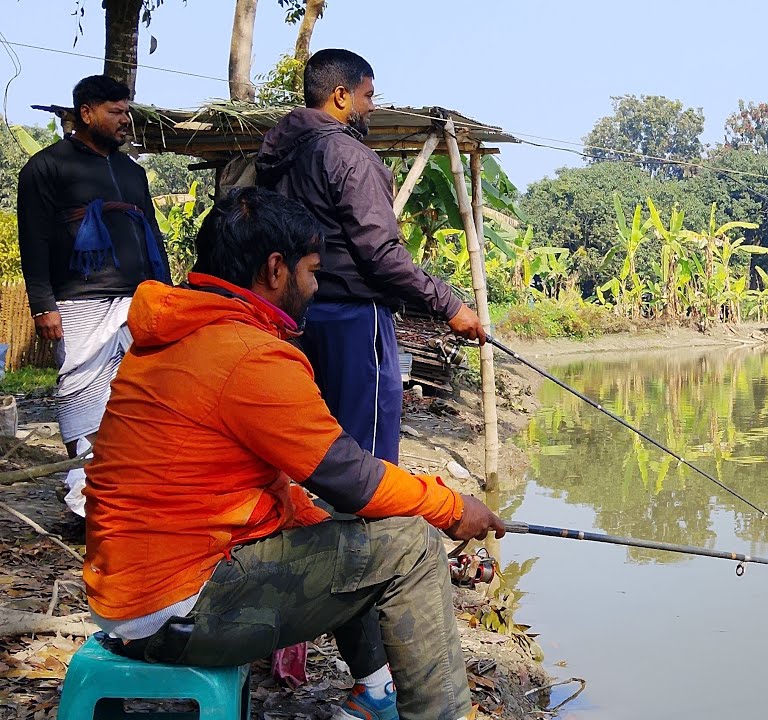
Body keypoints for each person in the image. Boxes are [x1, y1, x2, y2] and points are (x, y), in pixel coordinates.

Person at [83, 187, 505, 720]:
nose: (315, 285)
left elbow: (331, 491)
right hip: (176, 607)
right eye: (312, 271)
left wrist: (346, 515)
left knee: (350, 519)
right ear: (275, 269)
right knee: (413, 545)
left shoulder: (183, 331)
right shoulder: (247, 355)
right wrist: (451, 507)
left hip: (127, 593)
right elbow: (349, 476)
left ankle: (375, 692)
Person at [256, 48, 484, 465]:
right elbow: (380, 254)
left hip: (293, 318)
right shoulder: (349, 157)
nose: (372, 108)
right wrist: (450, 306)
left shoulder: (274, 158)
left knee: (314, 446)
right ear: (341, 96)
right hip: (353, 320)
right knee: (368, 452)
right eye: (368, 96)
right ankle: (368, 527)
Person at [16, 74, 170, 517]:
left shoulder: (132, 171)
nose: (125, 120)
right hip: (77, 300)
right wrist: (43, 304)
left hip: (137, 299)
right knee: (81, 393)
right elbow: (34, 241)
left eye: (127, 111)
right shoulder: (46, 167)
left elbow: (152, 237)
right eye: (116, 112)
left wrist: (164, 296)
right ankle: (86, 502)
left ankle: (130, 498)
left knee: (141, 398)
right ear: (86, 113)